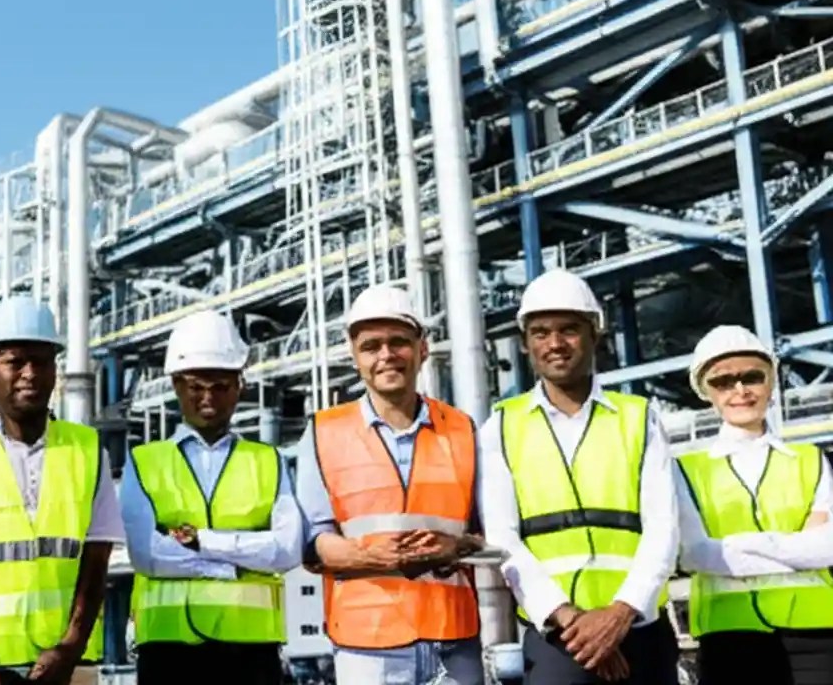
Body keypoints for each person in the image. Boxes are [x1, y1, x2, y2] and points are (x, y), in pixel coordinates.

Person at [479, 268, 680, 684]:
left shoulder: (640, 418)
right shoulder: (500, 427)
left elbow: (664, 527)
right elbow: (502, 538)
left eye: (569, 330)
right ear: (524, 344)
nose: (555, 344)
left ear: (595, 334)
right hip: (557, 637)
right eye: (540, 332)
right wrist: (575, 624)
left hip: (639, 627)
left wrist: (619, 614)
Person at [0, 294, 123, 685]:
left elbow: (96, 564)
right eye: (15, 362)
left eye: (42, 362)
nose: (30, 373)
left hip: (68, 668)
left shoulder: (87, 451)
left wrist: (69, 648)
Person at [295, 284, 486, 685]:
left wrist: (457, 546)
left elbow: (487, 531)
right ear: (354, 356)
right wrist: (374, 557)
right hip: (368, 643)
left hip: (453, 640)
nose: (386, 355)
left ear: (422, 348)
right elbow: (311, 542)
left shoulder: (462, 429)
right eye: (371, 346)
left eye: (398, 341)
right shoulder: (323, 432)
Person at [120, 310, 302, 685]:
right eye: (196, 386)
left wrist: (203, 541)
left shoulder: (268, 461)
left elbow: (286, 550)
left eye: (220, 386)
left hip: (251, 649)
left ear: (240, 385)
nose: (208, 398)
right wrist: (235, 562)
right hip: (168, 650)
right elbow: (146, 554)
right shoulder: (144, 462)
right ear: (176, 385)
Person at [675, 325, 833, 685]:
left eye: (751, 377)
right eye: (723, 382)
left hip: (817, 632)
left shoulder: (810, 459)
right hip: (729, 635)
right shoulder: (685, 470)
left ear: (771, 383)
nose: (740, 390)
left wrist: (740, 544)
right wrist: (795, 547)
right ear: (706, 392)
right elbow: (695, 555)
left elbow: (828, 547)